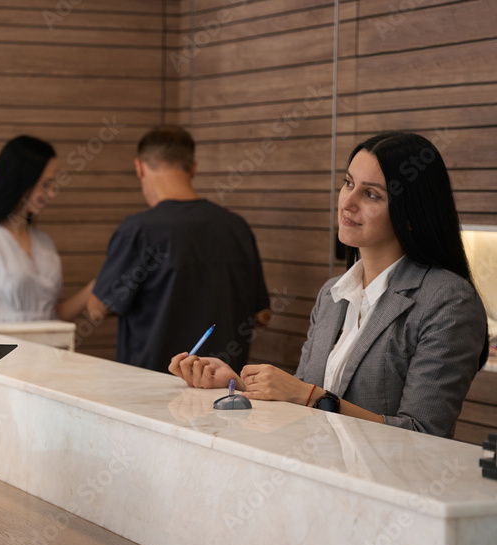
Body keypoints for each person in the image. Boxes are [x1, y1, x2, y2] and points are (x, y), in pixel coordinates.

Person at [169, 132, 489, 439]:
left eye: (371, 194)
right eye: (348, 183)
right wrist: (237, 386)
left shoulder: (449, 301)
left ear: (411, 214)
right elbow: (303, 402)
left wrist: (308, 396)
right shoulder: (333, 294)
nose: (347, 202)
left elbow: (424, 435)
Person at [85, 126, 271, 373]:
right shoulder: (236, 227)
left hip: (150, 391)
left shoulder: (139, 229)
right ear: (193, 167)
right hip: (222, 390)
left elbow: (97, 309)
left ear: (139, 167)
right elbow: (263, 315)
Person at [0, 135, 93, 324]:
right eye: (45, 185)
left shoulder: (45, 242)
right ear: (20, 181)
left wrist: (94, 288)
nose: (51, 193)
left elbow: (51, 318)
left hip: (52, 352)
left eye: (53, 185)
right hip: (10, 354)